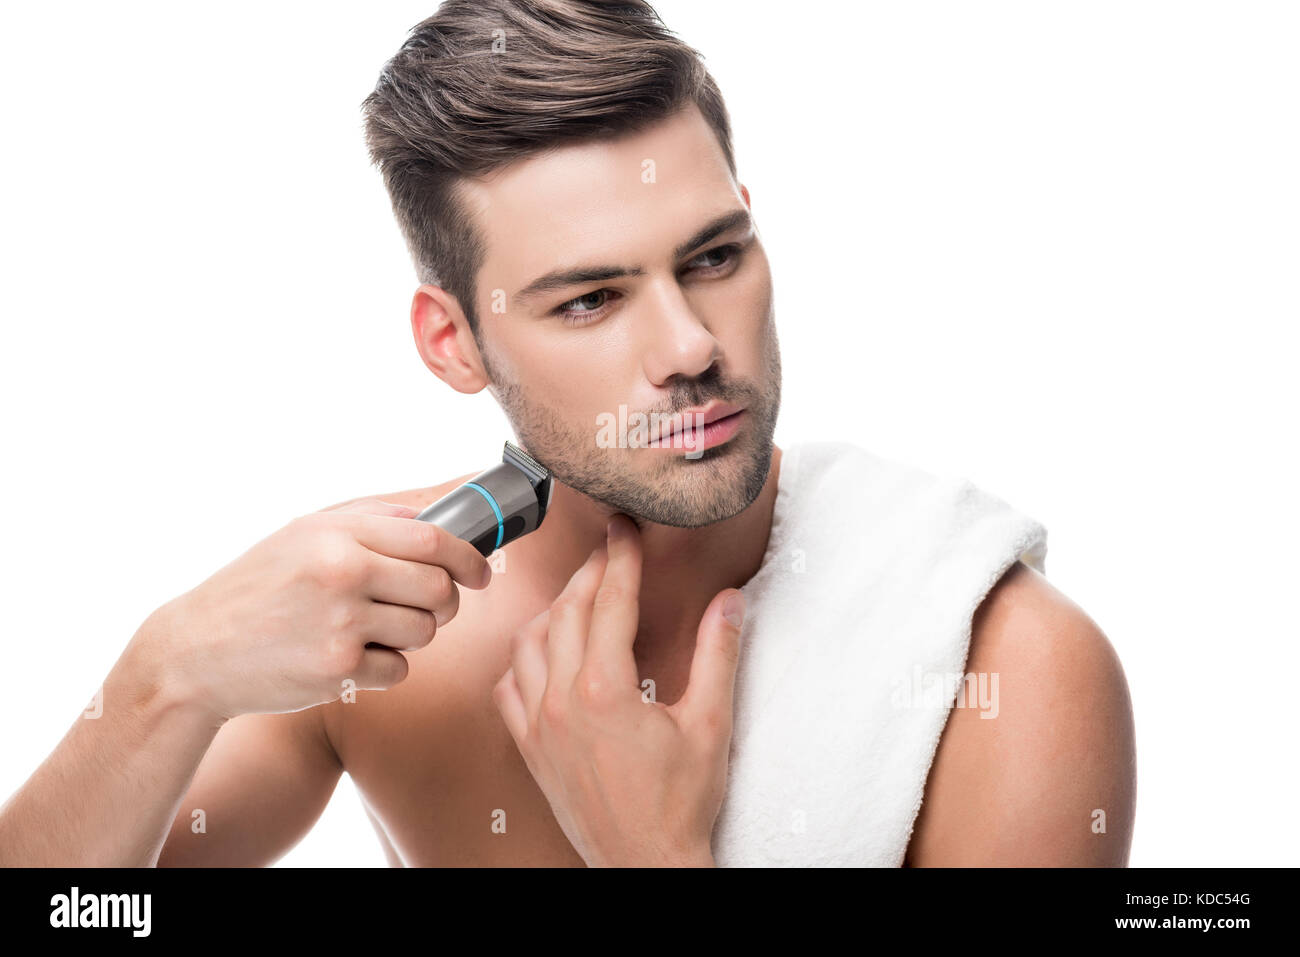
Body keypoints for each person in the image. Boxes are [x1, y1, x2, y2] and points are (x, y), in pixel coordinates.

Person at [0, 0, 1134, 867]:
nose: (690, 345)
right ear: (451, 343)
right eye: (589, 299)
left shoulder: (996, 667)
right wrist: (164, 676)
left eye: (714, 257)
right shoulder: (379, 643)